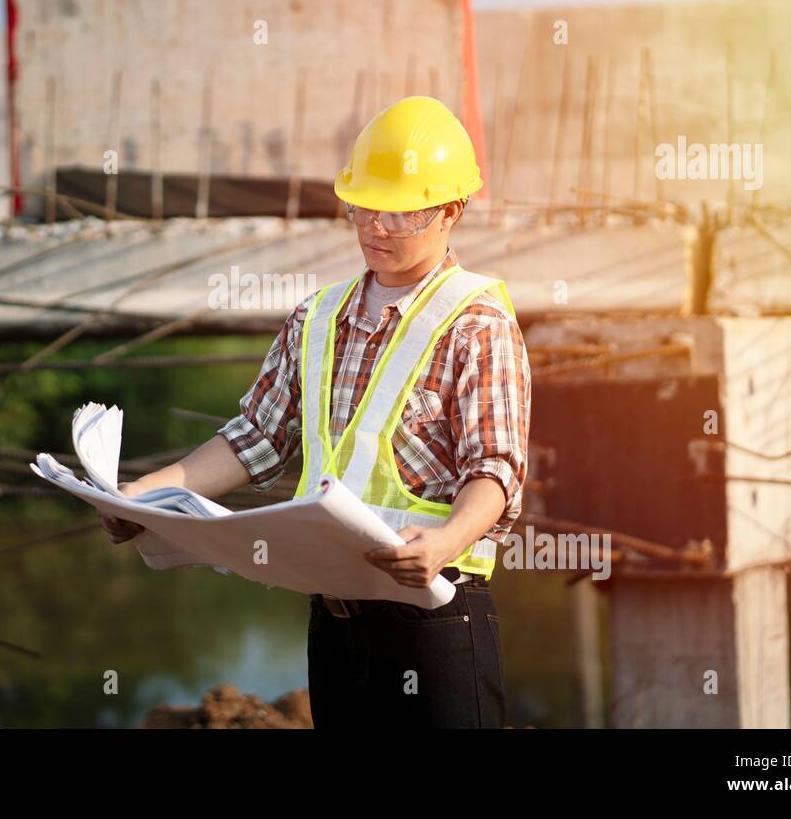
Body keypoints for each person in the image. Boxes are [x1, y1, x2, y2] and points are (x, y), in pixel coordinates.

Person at [102, 96, 532, 728]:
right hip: (334, 624)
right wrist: (143, 495)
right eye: (362, 205)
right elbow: (257, 439)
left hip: (435, 620)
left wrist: (444, 542)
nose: (375, 227)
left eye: (400, 212)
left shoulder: (477, 323)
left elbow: (496, 469)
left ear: (450, 212)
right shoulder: (317, 318)